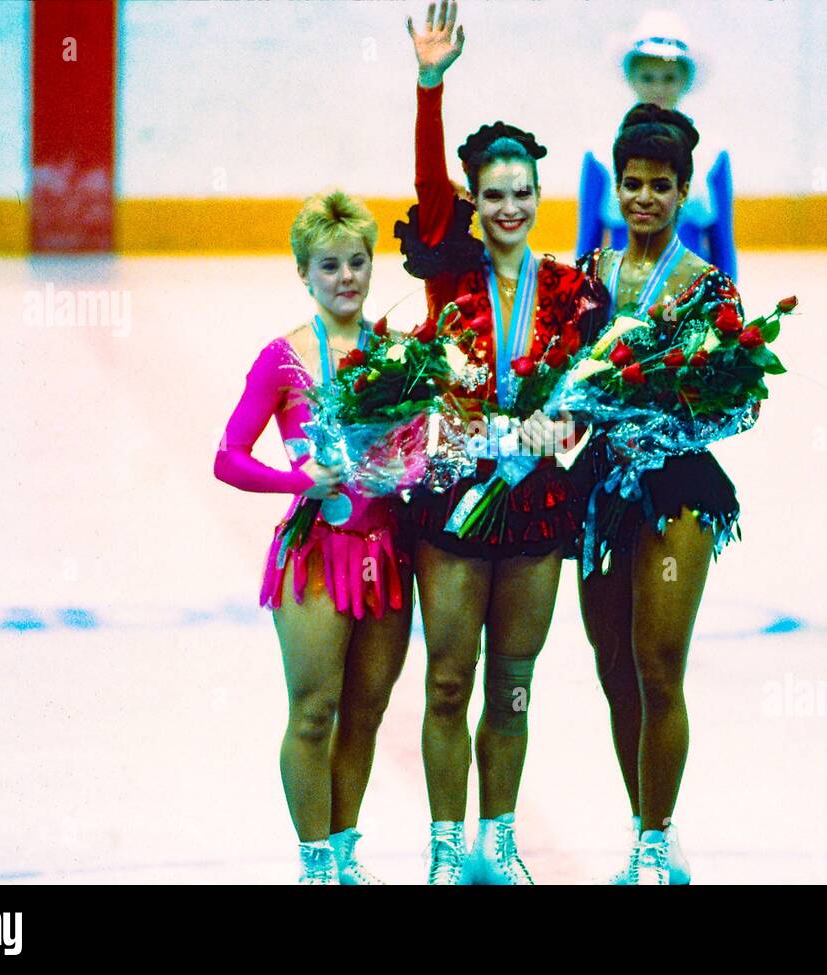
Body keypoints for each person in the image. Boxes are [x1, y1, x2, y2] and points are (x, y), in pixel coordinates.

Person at [394, 0, 603, 884]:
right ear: (472, 202)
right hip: (453, 494)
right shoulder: (448, 263)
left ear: (538, 198)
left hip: (536, 504)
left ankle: (498, 841)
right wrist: (431, 84)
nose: (509, 206)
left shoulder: (570, 287)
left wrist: (566, 423)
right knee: (449, 680)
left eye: (523, 194)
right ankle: (446, 850)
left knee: (513, 683)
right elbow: (426, 181)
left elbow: (594, 394)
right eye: (494, 194)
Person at [574, 102, 755, 884]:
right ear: (615, 188)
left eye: (660, 185)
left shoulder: (707, 287)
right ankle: (648, 827)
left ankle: (654, 844)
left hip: (678, 488)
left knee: (657, 663)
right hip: (596, 487)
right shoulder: (586, 280)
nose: (643, 197)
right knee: (611, 662)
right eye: (631, 183)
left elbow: (740, 402)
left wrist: (666, 415)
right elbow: (557, 380)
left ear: (684, 193)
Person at [214, 190, 414, 884]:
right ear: (304, 270)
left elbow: (417, 448)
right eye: (330, 266)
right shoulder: (282, 357)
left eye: (358, 262)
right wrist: (299, 482)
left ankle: (345, 850)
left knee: (366, 709)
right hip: (315, 554)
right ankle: (314, 864)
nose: (347, 277)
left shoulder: (396, 354)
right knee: (314, 709)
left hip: (386, 552)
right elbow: (228, 457)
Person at [576, 9, 737, 280]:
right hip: (620, 292)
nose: (659, 88)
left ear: (685, 80)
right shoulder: (600, 151)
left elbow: (722, 241)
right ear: (631, 77)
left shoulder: (712, 152)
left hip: (691, 296)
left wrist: (728, 305)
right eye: (648, 77)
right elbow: (588, 240)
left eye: (669, 78)